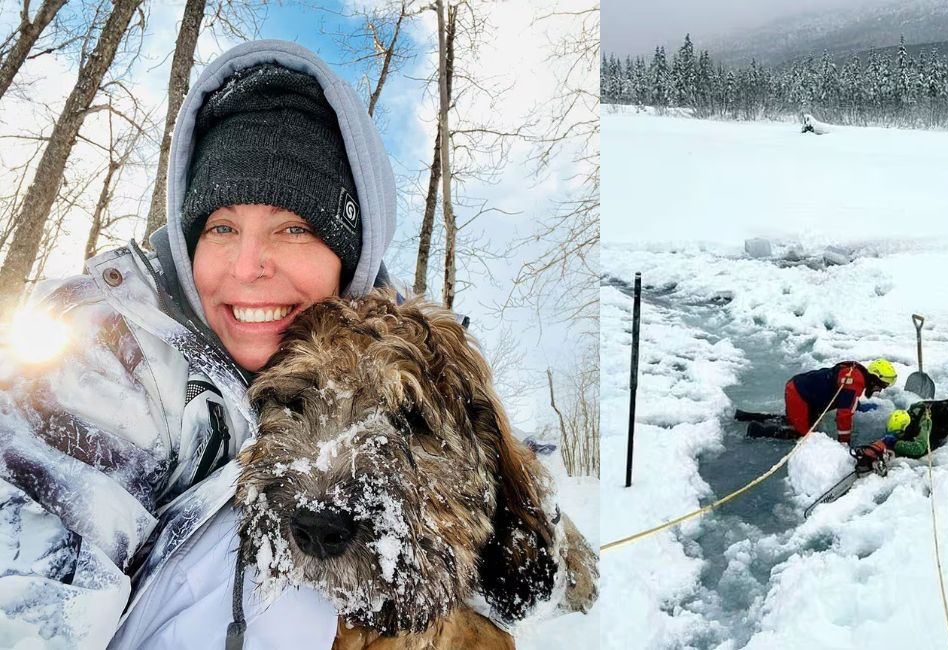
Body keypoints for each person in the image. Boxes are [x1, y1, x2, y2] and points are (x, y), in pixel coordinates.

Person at [0, 40, 574, 649]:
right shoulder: (99, 346)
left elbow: (517, 506)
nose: (248, 266)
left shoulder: (413, 347)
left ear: (350, 256)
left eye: (294, 228)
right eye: (221, 226)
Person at [738, 358, 896, 442]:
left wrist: (858, 406)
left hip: (803, 391)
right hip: (798, 395)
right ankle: (757, 430)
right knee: (803, 434)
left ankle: (746, 416)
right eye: (881, 385)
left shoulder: (857, 374)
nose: (880, 390)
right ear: (874, 379)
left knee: (797, 421)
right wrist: (844, 442)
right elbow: (844, 415)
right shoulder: (855, 382)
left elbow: (845, 396)